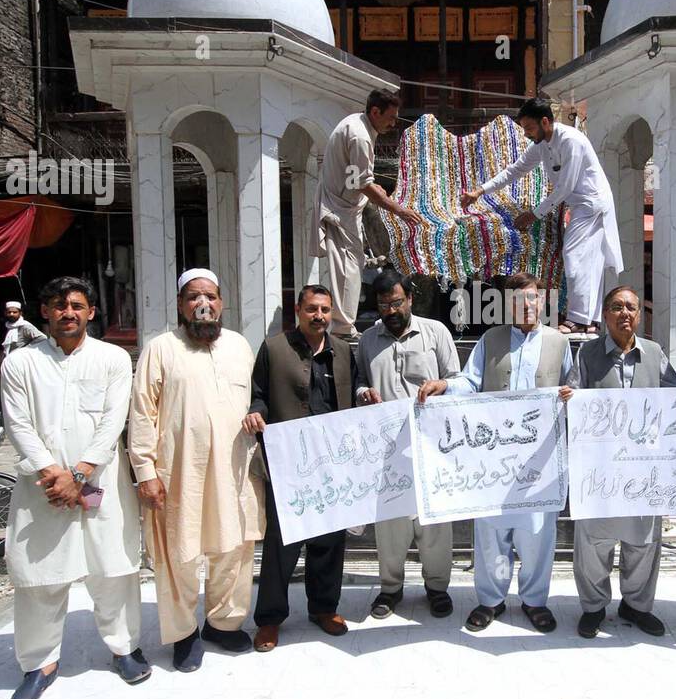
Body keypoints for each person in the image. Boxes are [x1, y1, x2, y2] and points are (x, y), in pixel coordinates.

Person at [0, 276, 148, 699]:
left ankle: (124, 648)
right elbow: (18, 424)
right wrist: (53, 473)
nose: (69, 313)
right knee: (40, 577)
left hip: (98, 479)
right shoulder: (21, 363)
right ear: (44, 312)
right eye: (60, 306)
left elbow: (113, 419)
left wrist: (79, 473)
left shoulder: (113, 358)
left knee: (113, 569)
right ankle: (39, 665)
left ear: (91, 312)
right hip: (43, 486)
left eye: (77, 306)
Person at [417, 272, 573, 633]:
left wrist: (570, 394)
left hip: (540, 462)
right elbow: (470, 382)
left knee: (536, 534)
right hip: (492, 460)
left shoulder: (558, 343)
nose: (527, 306)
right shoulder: (491, 339)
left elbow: (573, 385)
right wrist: (445, 385)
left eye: (533, 298)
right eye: (519, 300)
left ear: (542, 302)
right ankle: (491, 600)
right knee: (491, 533)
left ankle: (534, 601)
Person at [128, 268, 264, 671]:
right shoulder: (160, 349)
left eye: (210, 296)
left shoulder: (240, 345)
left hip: (236, 468)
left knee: (235, 549)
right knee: (180, 552)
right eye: (193, 297)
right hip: (178, 471)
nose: (203, 304)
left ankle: (223, 623)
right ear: (180, 306)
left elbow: (257, 398)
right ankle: (184, 632)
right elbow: (141, 413)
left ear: (222, 303)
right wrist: (145, 471)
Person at [563, 285, 676, 639]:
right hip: (600, 470)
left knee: (643, 540)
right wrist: (569, 398)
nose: (624, 313)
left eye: (630, 307)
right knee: (594, 541)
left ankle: (636, 606)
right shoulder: (587, 353)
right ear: (605, 315)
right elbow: (572, 396)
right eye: (616, 307)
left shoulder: (655, 353)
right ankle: (593, 607)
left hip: (645, 469)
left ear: (639, 314)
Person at [243, 285, 358, 651]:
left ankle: (324, 609)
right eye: (312, 309)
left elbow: (352, 392)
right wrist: (256, 413)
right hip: (290, 463)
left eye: (325, 310)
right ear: (298, 310)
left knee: (329, 539)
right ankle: (270, 620)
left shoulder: (342, 350)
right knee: (282, 543)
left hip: (332, 463)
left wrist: (365, 394)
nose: (319, 316)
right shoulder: (274, 348)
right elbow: (258, 393)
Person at [461, 98, 623, 335]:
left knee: (577, 257)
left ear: (545, 121)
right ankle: (588, 320)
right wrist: (480, 191)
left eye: (529, 127)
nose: (526, 134)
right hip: (579, 207)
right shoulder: (541, 144)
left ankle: (581, 319)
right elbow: (515, 170)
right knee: (583, 259)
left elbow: (565, 186)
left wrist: (534, 215)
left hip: (592, 205)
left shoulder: (571, 141)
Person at [355, 269, 461, 620]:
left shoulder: (436, 332)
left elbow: (459, 382)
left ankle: (437, 588)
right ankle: (390, 589)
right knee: (391, 524)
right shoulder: (368, 340)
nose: (390, 310)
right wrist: (363, 393)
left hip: (431, 447)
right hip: (387, 451)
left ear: (411, 298)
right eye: (383, 305)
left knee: (434, 522)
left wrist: (442, 386)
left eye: (396, 302)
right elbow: (358, 382)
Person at [308, 90, 420, 340]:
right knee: (349, 267)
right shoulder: (359, 136)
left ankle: (343, 325)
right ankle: (343, 328)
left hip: (349, 205)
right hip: (340, 209)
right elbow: (361, 182)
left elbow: (357, 178)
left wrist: (374, 190)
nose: (393, 123)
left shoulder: (357, 125)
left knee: (353, 264)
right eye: (390, 117)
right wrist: (398, 210)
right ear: (375, 112)